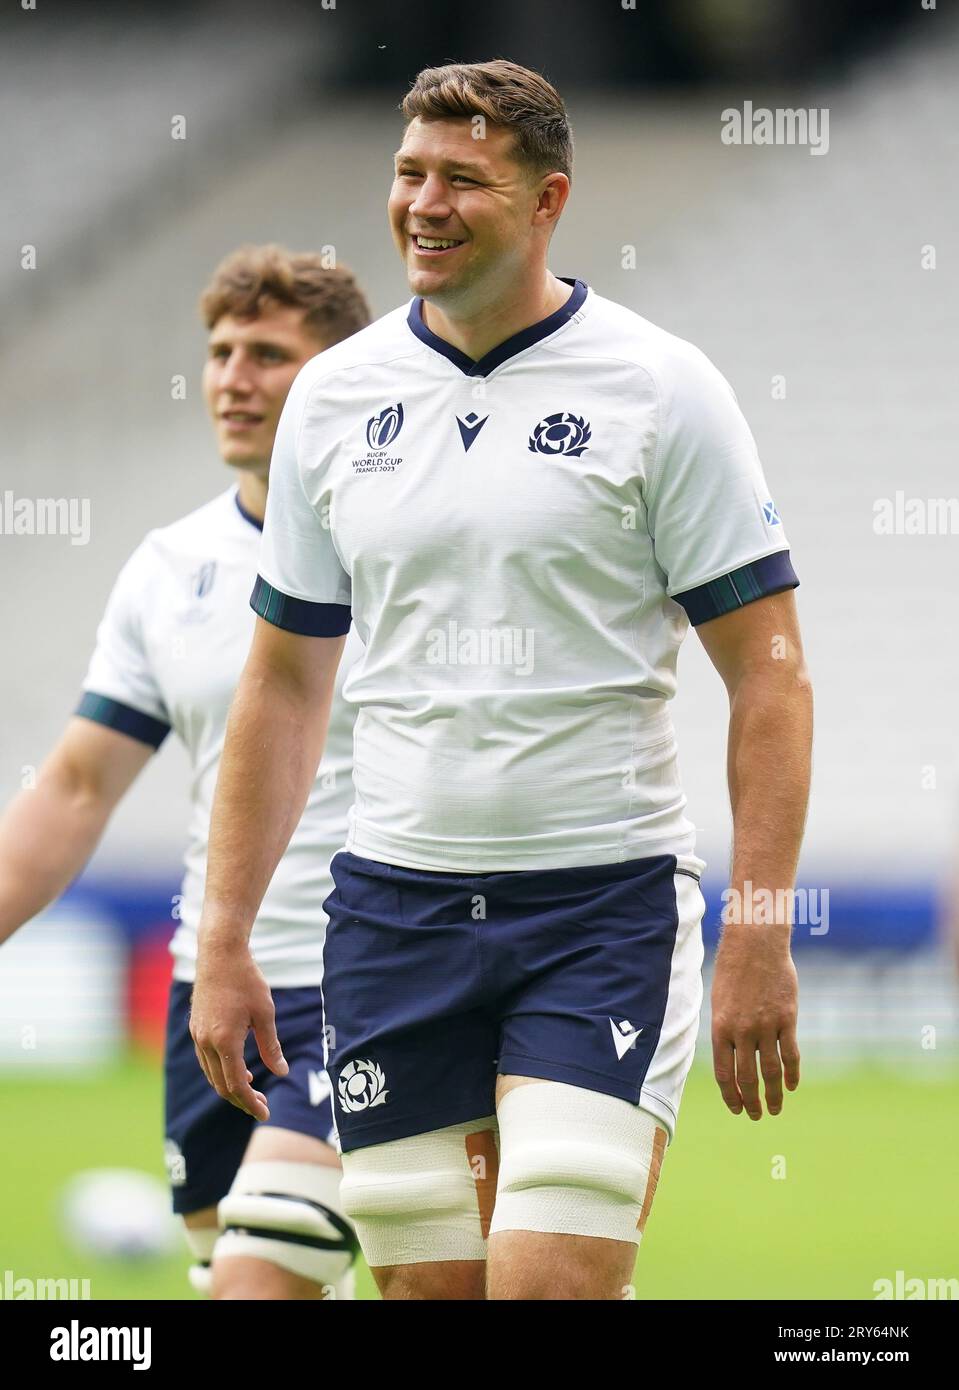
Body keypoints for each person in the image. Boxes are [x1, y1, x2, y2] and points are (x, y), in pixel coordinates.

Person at [191, 61, 813, 1301]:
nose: (423, 201)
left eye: (462, 178)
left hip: (600, 913)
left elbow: (771, 676)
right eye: (408, 173)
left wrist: (757, 928)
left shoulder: (660, 388)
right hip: (390, 920)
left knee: (547, 1289)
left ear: (546, 201)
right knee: (437, 1296)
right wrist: (222, 934)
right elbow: (280, 689)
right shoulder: (334, 397)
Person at [0, 244, 371, 1300]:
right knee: (242, 1279)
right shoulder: (169, 569)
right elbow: (75, 785)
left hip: (374, 979)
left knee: (258, 1279)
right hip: (215, 996)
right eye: (217, 351)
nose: (231, 379)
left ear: (337, 378)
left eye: (267, 353)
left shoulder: (404, 545)